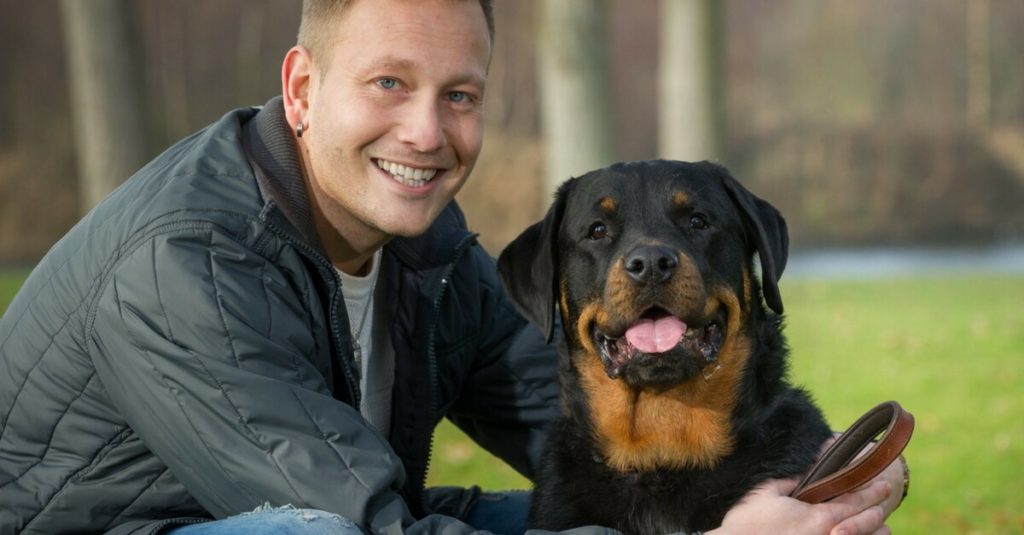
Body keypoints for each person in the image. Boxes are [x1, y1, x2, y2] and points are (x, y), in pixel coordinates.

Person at [0, 1, 907, 534]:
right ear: (303, 89)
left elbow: (570, 411)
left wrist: (823, 482)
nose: (427, 132)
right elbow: (355, 523)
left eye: (460, 95)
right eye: (389, 83)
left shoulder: (424, 245)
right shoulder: (182, 261)